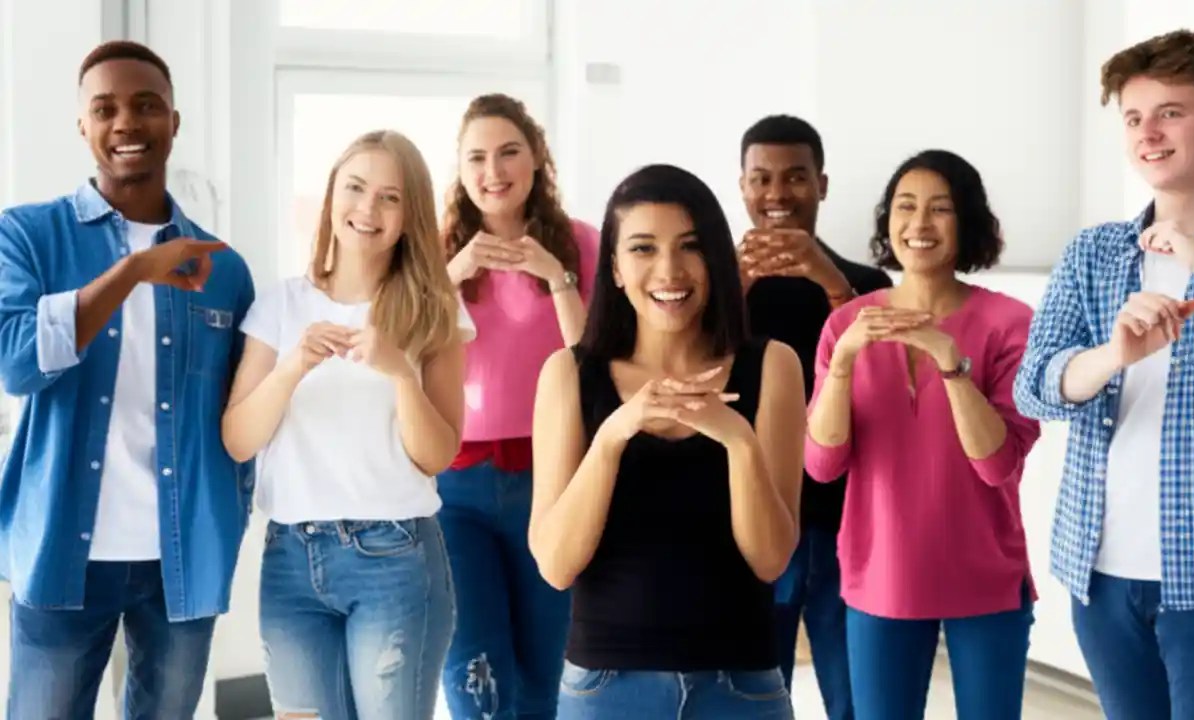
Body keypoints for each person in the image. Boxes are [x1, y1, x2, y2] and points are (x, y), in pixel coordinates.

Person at [1013, 29, 1194, 719]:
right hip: (1099, 575)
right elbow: (1034, 386)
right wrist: (1114, 356)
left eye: (1171, 112)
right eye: (1134, 118)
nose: (1148, 133)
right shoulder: (1094, 253)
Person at [0, 40, 254, 718]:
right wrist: (134, 271)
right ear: (82, 125)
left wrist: (228, 520)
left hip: (180, 559)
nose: (126, 123)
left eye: (146, 106)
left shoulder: (222, 268)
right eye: (104, 108)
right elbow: (18, 363)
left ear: (174, 121)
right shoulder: (26, 235)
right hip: (60, 552)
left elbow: (241, 414)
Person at [530, 163, 807, 719]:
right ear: (613, 267)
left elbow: (772, 560)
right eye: (642, 248)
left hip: (741, 686)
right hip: (607, 689)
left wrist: (739, 443)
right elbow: (556, 564)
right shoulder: (569, 375)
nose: (669, 270)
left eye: (690, 245)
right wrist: (612, 436)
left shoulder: (773, 366)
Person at [221, 130, 468, 718]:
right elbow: (237, 440)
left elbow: (437, 456)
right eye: (355, 187)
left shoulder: (434, 311)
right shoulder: (279, 305)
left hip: (396, 558)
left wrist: (401, 373)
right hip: (290, 560)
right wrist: (292, 367)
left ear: (410, 217)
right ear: (332, 195)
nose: (367, 208)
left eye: (390, 197)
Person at [807, 150, 1040, 720]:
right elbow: (821, 464)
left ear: (968, 223)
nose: (919, 224)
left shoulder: (1009, 323)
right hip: (880, 576)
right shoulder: (847, 325)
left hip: (985, 575)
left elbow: (997, 464)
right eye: (905, 207)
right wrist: (843, 367)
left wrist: (951, 365)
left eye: (941, 209)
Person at [438, 93, 600, 720]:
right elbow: (397, 348)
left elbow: (594, 365)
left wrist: (555, 276)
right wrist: (448, 274)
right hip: (456, 486)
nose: (493, 170)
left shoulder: (582, 243)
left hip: (553, 475)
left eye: (509, 152)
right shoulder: (434, 249)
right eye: (476, 157)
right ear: (461, 168)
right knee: (474, 665)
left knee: (546, 664)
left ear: (536, 159)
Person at [737, 114, 891, 719]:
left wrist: (831, 284)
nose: (777, 194)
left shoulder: (865, 282)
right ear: (743, 186)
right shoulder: (708, 284)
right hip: (755, 514)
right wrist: (734, 284)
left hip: (849, 515)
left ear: (822, 185)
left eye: (796, 177)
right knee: (755, 690)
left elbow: (886, 385)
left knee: (853, 691)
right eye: (762, 178)